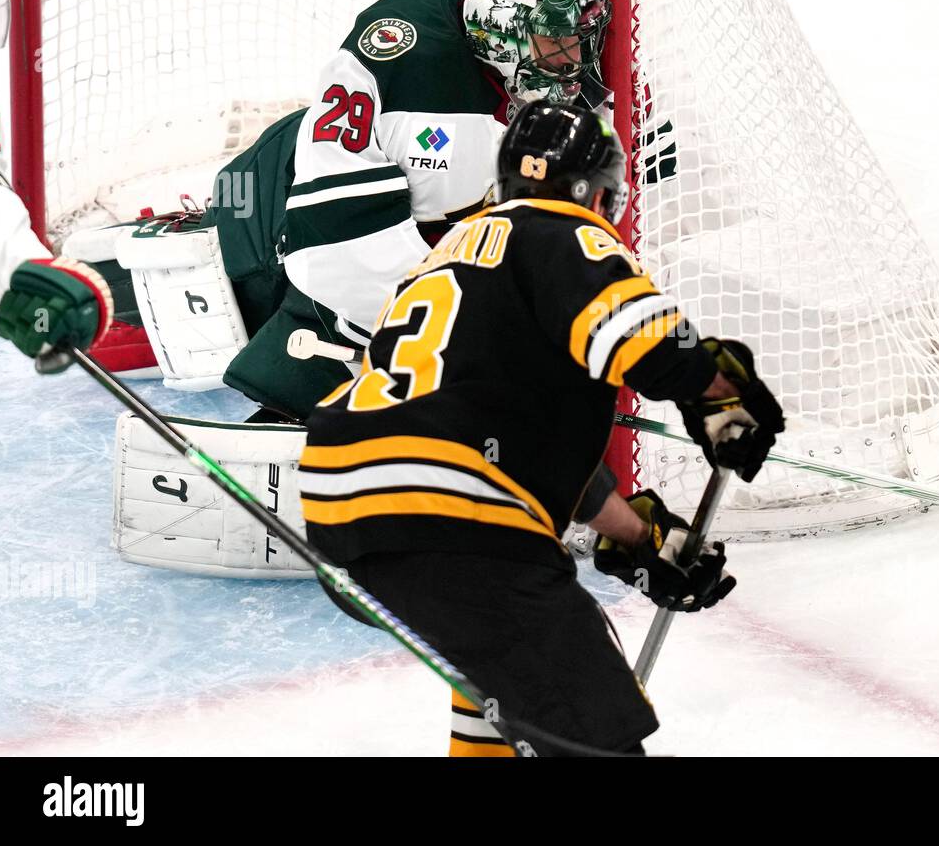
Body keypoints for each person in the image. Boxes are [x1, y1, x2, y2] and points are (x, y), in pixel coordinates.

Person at [0, 0, 629, 577]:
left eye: (582, 39)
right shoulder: (412, 64)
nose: (573, 57)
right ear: (501, 31)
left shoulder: (521, 60)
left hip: (382, 215)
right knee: (230, 280)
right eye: (558, 43)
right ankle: (108, 302)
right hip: (292, 208)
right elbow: (341, 256)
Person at [300, 101, 785, 756]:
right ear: (599, 189)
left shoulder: (450, 252)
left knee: (504, 681)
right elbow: (645, 342)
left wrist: (642, 538)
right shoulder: (564, 231)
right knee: (589, 727)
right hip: (451, 513)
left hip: (349, 511)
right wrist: (722, 392)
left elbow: (476, 431)